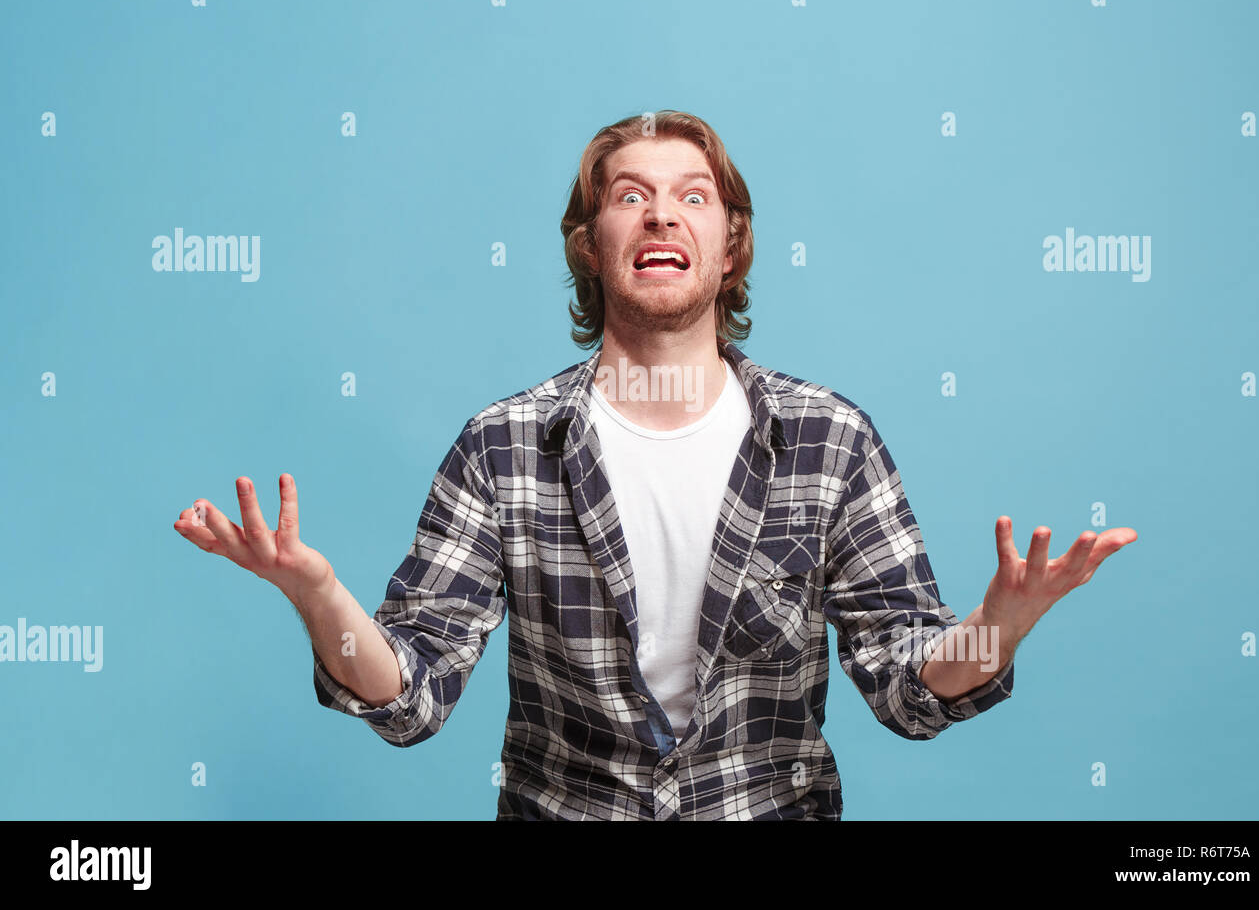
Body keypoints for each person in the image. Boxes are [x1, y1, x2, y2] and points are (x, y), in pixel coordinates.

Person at [172, 110, 1137, 820]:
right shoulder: (503, 447)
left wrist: (995, 630)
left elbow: (907, 689)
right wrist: (318, 596)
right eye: (628, 197)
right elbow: (411, 696)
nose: (661, 216)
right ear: (591, 248)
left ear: (729, 248)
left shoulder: (828, 439)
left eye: (692, 196)